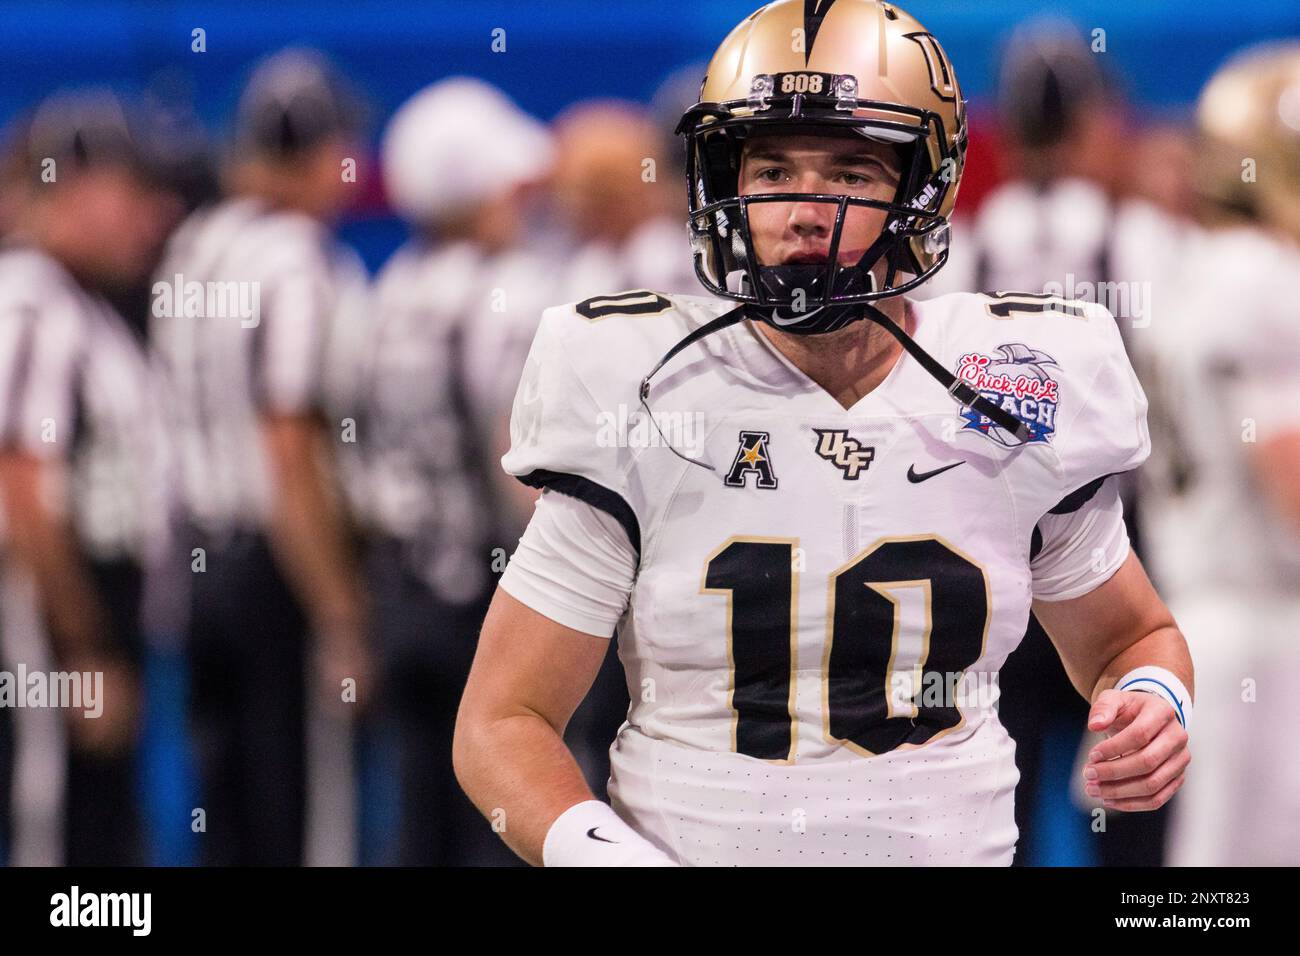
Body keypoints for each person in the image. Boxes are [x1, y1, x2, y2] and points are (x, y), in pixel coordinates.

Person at [454, 0, 1193, 866]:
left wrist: (1153, 694)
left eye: (849, 173)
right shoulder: (649, 388)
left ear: (922, 186)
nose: (805, 209)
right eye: (771, 172)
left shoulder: (1004, 382)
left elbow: (1129, 636)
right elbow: (502, 721)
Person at [150, 48, 371, 865]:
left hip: (200, 557)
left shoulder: (195, 242)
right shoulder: (295, 257)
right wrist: (340, 610)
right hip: (275, 567)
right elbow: (287, 444)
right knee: (301, 814)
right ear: (321, 153)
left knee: (225, 806)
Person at [357, 76, 553, 865]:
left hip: (400, 586)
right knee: (504, 814)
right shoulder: (513, 294)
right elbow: (517, 458)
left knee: (419, 813)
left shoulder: (387, 290)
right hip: (492, 591)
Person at [0, 89, 175, 864]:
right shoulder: (33, 305)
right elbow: (22, 483)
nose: (152, 218)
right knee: (54, 819)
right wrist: (83, 652)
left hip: (89, 607)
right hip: (45, 615)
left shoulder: (83, 307)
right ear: (73, 187)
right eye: (133, 193)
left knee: (99, 827)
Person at [1136, 43, 1300, 866]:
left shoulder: (1188, 266)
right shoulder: (1266, 279)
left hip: (1204, 610)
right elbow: (1289, 470)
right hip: (1266, 624)